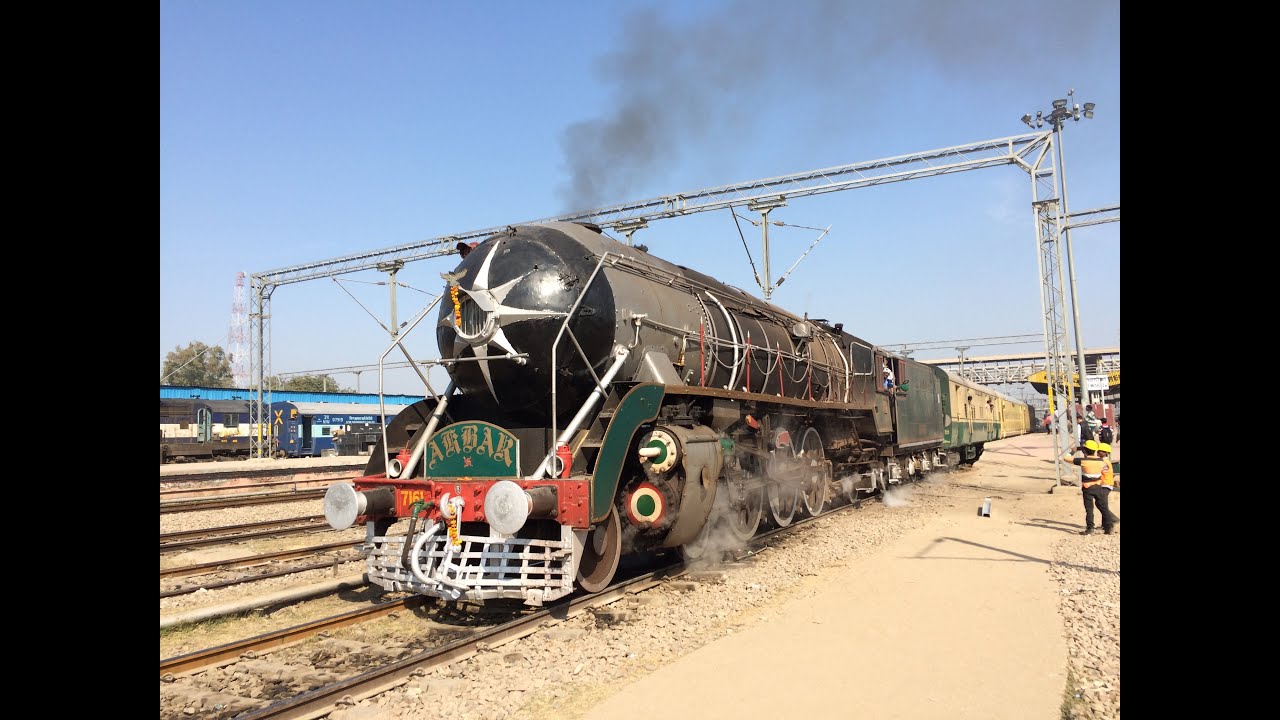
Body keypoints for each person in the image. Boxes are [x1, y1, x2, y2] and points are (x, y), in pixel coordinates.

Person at [1061, 439, 1117, 535]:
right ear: (1095, 450)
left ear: (1085, 450)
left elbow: (1066, 458)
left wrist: (1074, 450)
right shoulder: (1101, 461)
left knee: (1089, 509)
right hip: (1099, 486)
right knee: (1103, 506)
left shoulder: (1084, 461)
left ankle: (1090, 528)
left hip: (1088, 488)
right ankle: (1108, 527)